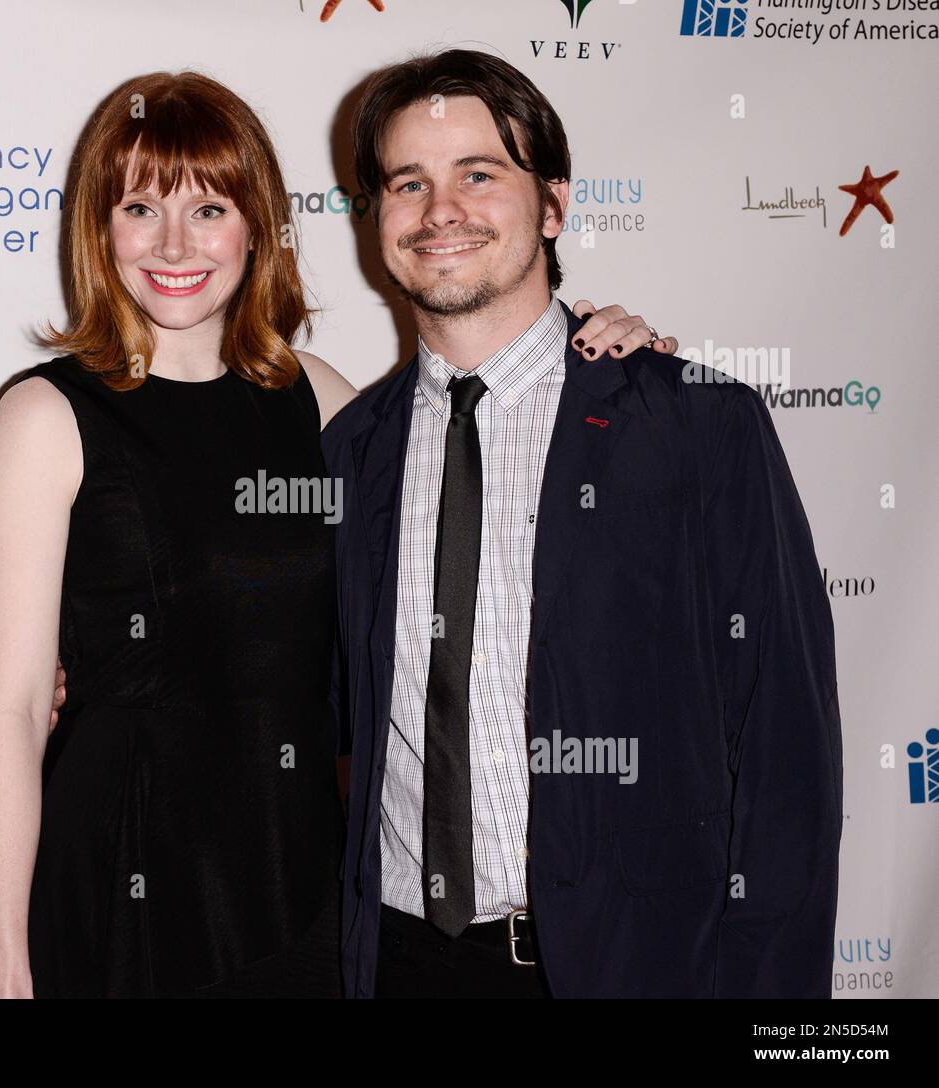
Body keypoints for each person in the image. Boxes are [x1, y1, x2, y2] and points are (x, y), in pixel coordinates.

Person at [0, 67, 677, 998]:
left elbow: (475, 440)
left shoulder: (325, 399)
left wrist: (594, 342)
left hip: (309, 880)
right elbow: (9, 721)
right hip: (123, 878)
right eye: (140, 206)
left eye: (211, 208)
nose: (175, 243)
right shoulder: (44, 415)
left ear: (259, 223)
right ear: (99, 229)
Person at [323, 48, 843, 999]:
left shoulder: (695, 424)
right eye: (409, 183)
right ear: (379, 222)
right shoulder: (353, 451)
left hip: (624, 969)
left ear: (553, 205)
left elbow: (786, 752)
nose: (441, 211)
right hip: (400, 963)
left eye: (480, 174)